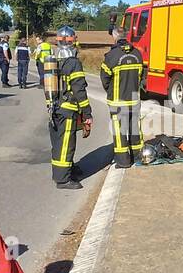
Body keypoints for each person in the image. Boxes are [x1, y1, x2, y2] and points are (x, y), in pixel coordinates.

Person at [47, 26, 93, 189]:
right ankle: (63, 180)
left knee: (58, 143)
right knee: (66, 144)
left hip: (55, 108)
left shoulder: (53, 59)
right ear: (73, 41)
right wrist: (88, 113)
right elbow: (79, 89)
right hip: (67, 110)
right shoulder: (73, 63)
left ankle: (67, 169)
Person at [101, 26, 146, 168]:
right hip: (134, 100)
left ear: (115, 37)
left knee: (119, 131)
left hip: (117, 101)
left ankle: (123, 161)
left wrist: (111, 91)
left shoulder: (111, 56)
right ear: (126, 36)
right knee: (134, 129)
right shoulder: (137, 54)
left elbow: (105, 79)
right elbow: (142, 77)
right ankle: (138, 156)